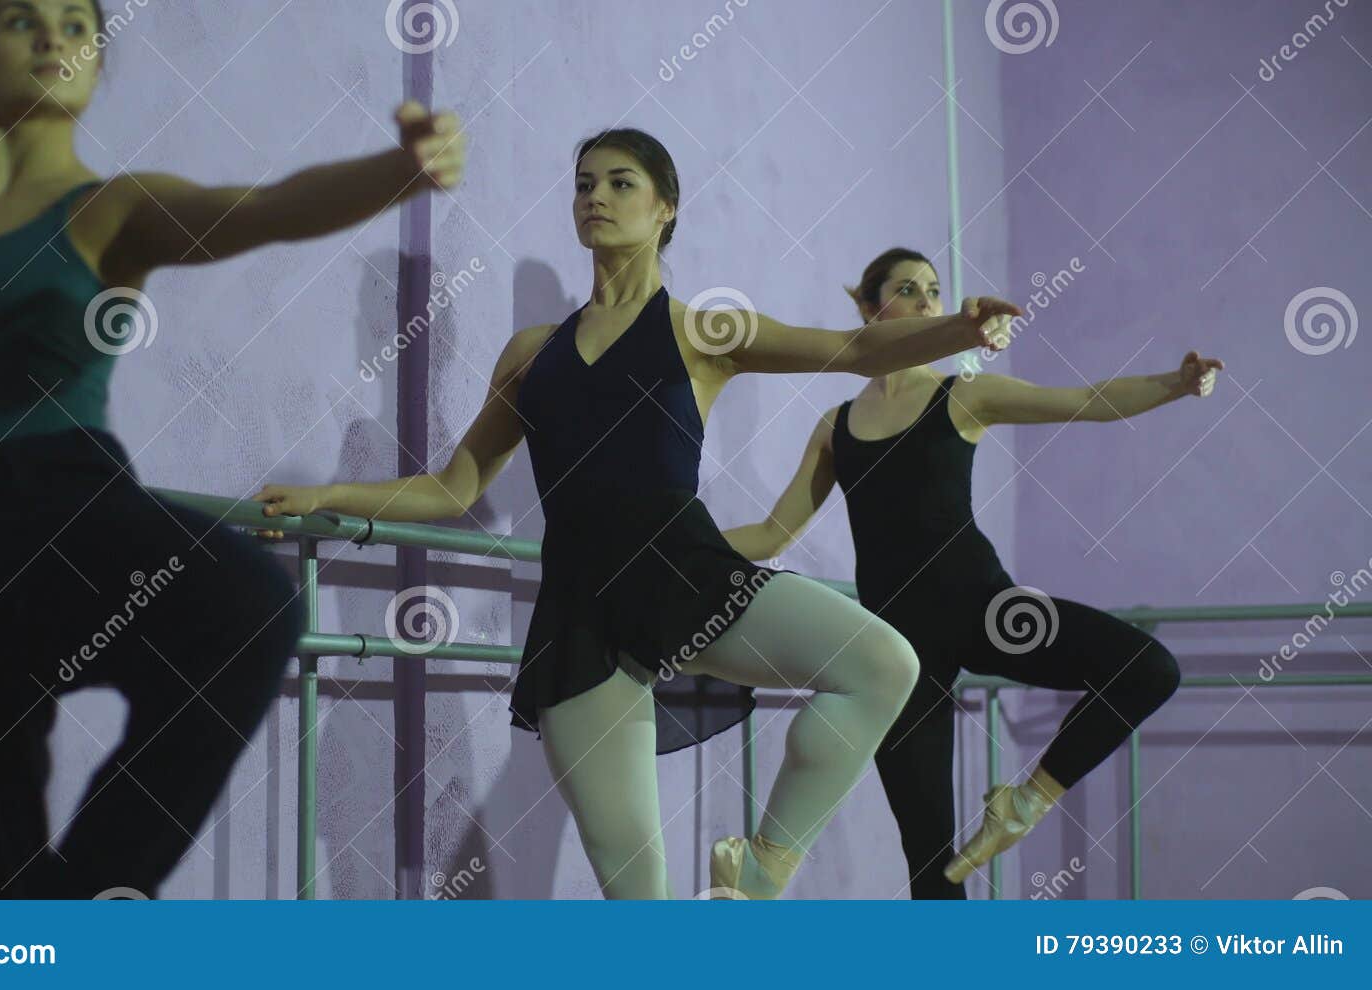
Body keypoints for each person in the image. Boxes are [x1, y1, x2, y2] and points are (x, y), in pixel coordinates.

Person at [0, 0, 465, 898]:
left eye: (78, 25)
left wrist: (398, 172)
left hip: (58, 509)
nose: (56, 38)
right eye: (24, 20)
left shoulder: (110, 210)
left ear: (97, 64)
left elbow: (264, 211)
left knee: (245, 606)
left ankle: (83, 913)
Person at [255, 134, 1020, 899]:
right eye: (585, 184)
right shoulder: (531, 353)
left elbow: (852, 348)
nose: (597, 197)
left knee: (885, 664)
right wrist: (327, 498)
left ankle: (760, 870)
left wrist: (958, 330)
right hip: (582, 620)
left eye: (622, 184)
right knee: (638, 899)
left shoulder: (702, 331)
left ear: (666, 209)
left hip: (690, 580)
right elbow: (454, 486)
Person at [721, 247, 1222, 897]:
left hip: (989, 612)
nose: (930, 302)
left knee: (1147, 668)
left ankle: (1024, 801)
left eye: (935, 290)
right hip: (894, 655)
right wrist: (665, 544)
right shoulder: (835, 427)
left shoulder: (966, 394)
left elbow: (1087, 401)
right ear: (870, 308)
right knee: (933, 873)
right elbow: (771, 534)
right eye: (910, 289)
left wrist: (1174, 385)